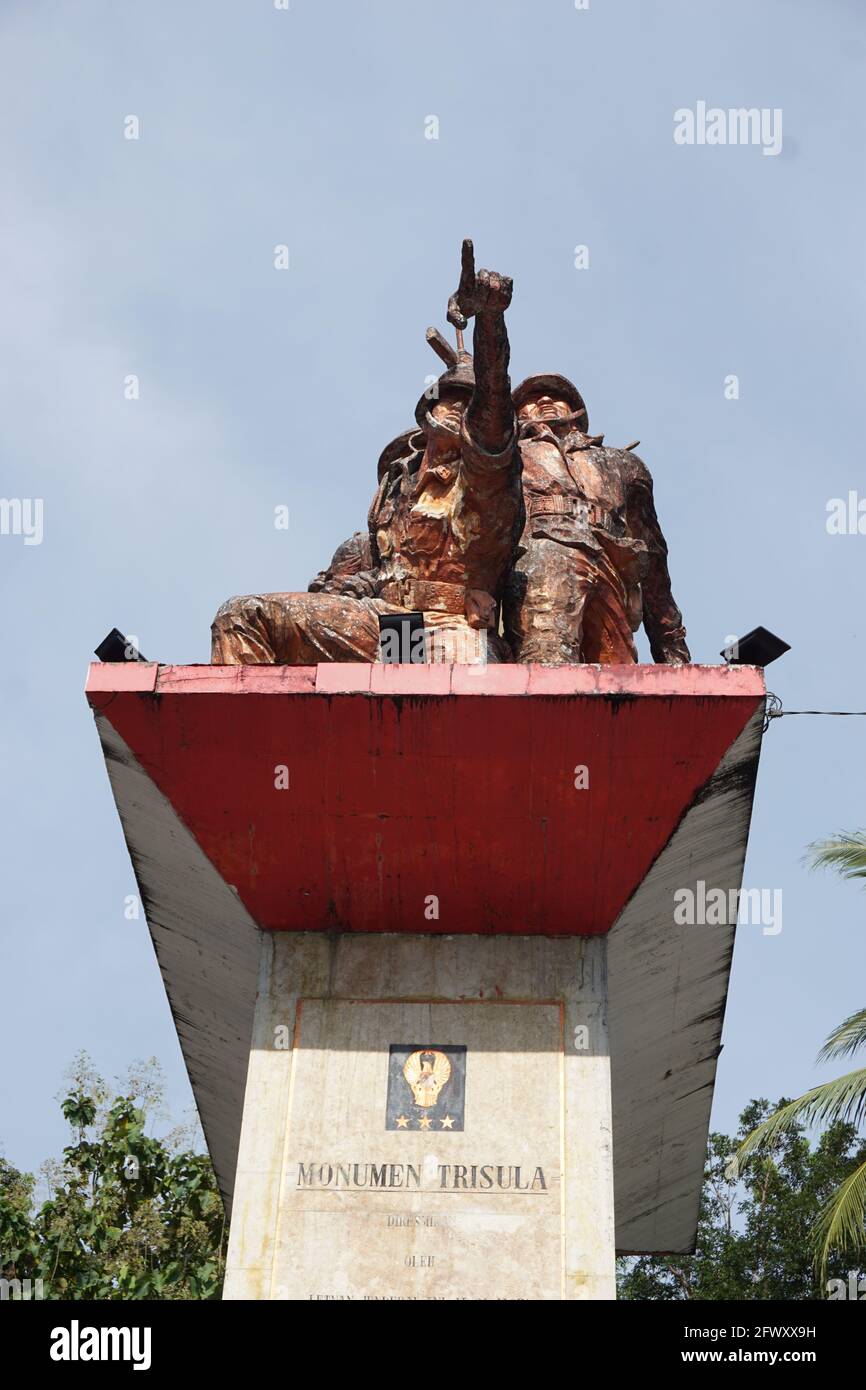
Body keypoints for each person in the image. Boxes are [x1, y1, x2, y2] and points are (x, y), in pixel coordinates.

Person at [210, 241, 522, 666]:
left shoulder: (487, 479)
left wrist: (489, 318)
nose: (459, 410)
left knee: (405, 691)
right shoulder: (397, 490)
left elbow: (494, 404)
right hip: (390, 622)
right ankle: (235, 731)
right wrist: (354, 588)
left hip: (454, 629)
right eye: (450, 400)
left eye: (469, 404)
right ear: (427, 410)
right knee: (243, 616)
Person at [503, 374, 689, 664]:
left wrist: (670, 643)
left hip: (611, 563)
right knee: (547, 660)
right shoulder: (509, 456)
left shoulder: (621, 464)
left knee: (620, 676)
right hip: (543, 553)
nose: (545, 400)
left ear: (577, 413)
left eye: (556, 396)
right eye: (532, 399)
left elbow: (654, 556)